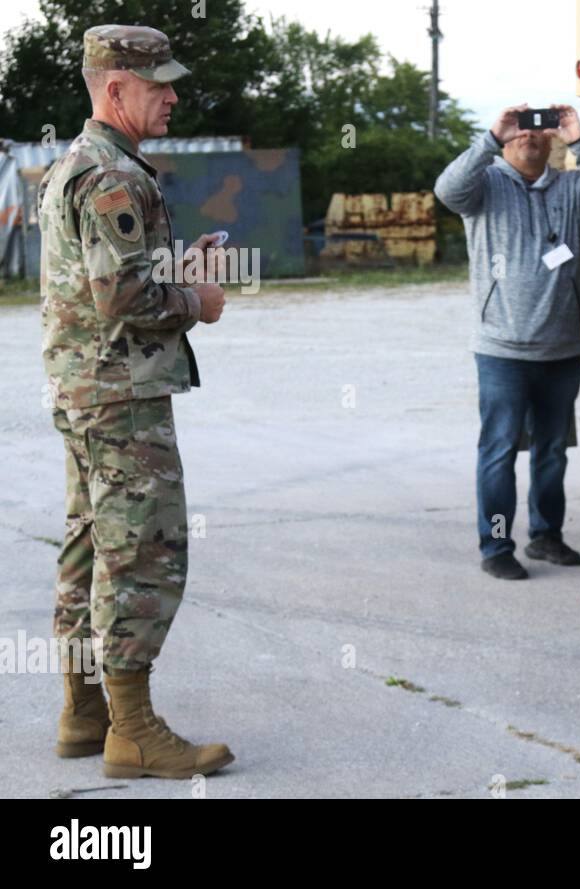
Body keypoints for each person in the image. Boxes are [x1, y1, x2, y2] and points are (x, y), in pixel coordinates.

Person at [40, 24, 232, 778]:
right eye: (160, 85)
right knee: (142, 556)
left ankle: (85, 714)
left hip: (88, 389)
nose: (174, 95)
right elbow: (121, 296)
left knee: (90, 546)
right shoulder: (115, 175)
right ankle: (134, 731)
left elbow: (102, 285)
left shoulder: (77, 165)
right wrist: (197, 298)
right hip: (120, 398)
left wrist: (172, 270)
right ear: (116, 89)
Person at [435, 102, 580, 580]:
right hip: (501, 350)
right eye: (518, 131)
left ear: (551, 141)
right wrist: (491, 135)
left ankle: (546, 536)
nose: (528, 136)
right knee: (499, 450)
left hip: (559, 348)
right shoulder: (485, 185)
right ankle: (495, 546)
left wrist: (579, 138)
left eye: (539, 130)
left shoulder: (571, 187)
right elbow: (447, 190)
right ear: (505, 140)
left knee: (553, 450)